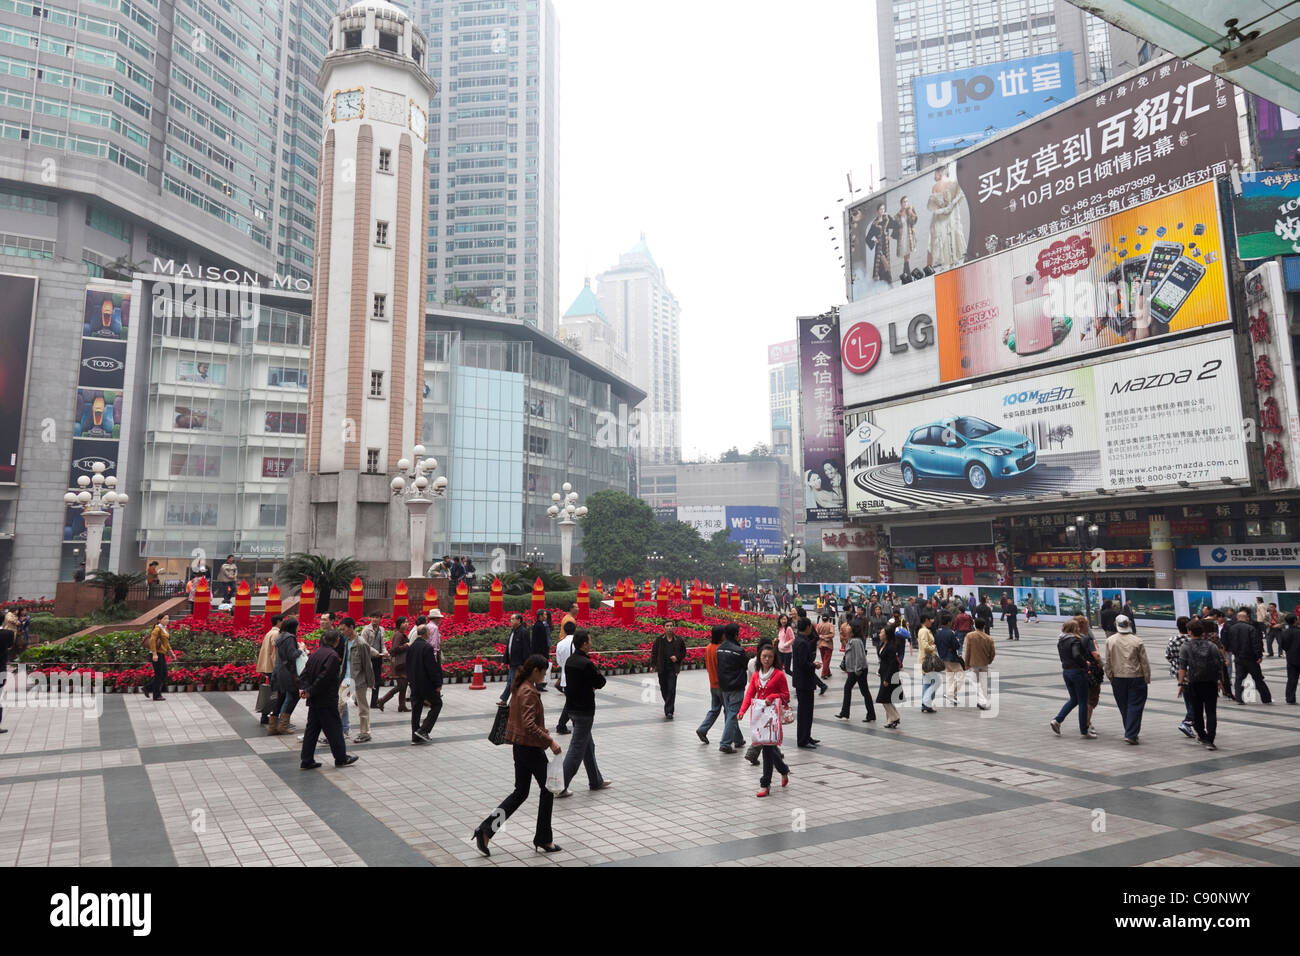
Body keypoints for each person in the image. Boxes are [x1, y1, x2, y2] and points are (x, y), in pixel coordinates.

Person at [473, 655, 561, 856]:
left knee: (520, 792)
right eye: (544, 671)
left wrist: (542, 731)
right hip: (530, 749)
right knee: (547, 790)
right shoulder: (528, 691)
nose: (545, 675)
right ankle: (544, 838)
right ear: (536, 670)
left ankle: (486, 831)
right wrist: (550, 741)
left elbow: (524, 722)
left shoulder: (519, 687)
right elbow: (529, 724)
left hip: (519, 746)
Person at [556, 630, 612, 797]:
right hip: (584, 711)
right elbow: (600, 681)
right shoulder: (586, 663)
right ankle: (560, 785)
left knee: (588, 746)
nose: (591, 643)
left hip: (572, 709)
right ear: (584, 644)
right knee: (576, 749)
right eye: (590, 640)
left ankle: (596, 780)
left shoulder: (571, 661)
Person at [298, 629, 358, 770]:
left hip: (315, 700)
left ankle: (306, 759)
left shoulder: (316, 654)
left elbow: (304, 674)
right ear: (337, 640)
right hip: (326, 699)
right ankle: (341, 758)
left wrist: (306, 689)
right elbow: (324, 678)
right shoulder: (332, 656)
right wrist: (310, 691)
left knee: (312, 730)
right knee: (335, 729)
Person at [738, 644, 791, 798]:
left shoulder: (779, 675)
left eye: (770, 657)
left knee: (768, 750)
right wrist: (742, 711)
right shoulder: (755, 675)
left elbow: (786, 696)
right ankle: (783, 769)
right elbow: (749, 694)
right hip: (759, 717)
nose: (767, 659)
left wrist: (773, 697)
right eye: (764, 656)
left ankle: (764, 784)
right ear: (759, 658)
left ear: (774, 658)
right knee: (770, 749)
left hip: (772, 717)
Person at [1103, 615, 1151, 745]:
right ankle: (1131, 733)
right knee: (1135, 705)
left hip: (1118, 677)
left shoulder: (1110, 640)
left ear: (1115, 624)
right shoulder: (1137, 641)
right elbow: (1144, 662)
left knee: (1123, 706)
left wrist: (1110, 675)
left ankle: (1130, 731)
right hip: (1136, 676)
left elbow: (1107, 661)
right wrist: (1147, 677)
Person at [1178, 619, 1225, 750]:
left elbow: (1182, 667)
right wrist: (1220, 681)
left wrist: (1180, 683)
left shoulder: (1186, 646)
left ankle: (1202, 736)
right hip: (1210, 682)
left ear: (1190, 632)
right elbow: (1218, 664)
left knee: (1197, 712)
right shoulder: (1211, 646)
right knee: (1211, 712)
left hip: (1194, 682)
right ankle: (1210, 739)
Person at [1049, 620, 1095, 739]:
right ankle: (1084, 731)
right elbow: (1076, 655)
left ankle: (1057, 720)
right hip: (1077, 672)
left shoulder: (1061, 641)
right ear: (1074, 629)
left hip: (1066, 672)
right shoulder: (1074, 640)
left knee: (1074, 699)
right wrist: (1085, 663)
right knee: (1083, 702)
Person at [405, 624, 443, 743]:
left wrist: (410, 681)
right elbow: (431, 668)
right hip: (426, 684)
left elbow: (408, 666)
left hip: (414, 684)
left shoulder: (411, 647)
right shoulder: (427, 647)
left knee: (416, 710)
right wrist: (437, 684)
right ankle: (424, 730)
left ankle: (415, 737)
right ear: (426, 633)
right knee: (437, 704)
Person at [1227, 609, 1272, 705]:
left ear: (1238, 618)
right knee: (1258, 678)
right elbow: (1255, 643)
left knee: (1239, 678)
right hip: (1250, 657)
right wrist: (1259, 655)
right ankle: (1266, 698)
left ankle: (1239, 698)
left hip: (1238, 657)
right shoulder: (1250, 628)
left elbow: (1229, 642)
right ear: (1246, 618)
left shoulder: (1232, 628)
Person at [715, 623, 748, 753]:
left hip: (723, 686)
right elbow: (745, 665)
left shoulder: (720, 649)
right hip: (736, 686)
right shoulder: (738, 651)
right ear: (736, 634)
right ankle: (725, 743)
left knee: (729, 712)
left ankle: (738, 739)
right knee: (733, 714)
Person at [835, 621, 876, 722]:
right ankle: (847, 712)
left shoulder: (855, 641)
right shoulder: (852, 640)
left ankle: (868, 714)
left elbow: (860, 657)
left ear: (853, 631)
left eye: (849, 626)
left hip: (858, 670)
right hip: (855, 669)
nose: (846, 627)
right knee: (861, 691)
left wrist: (857, 670)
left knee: (862, 691)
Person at [268, 618, 302, 736]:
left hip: (278, 672)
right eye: (297, 626)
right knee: (295, 696)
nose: (298, 628)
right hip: (287, 673)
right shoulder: (290, 638)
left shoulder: (280, 636)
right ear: (293, 627)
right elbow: (292, 655)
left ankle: (272, 727)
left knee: (281, 698)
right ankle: (283, 726)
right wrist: (301, 650)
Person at [346, 618, 376, 743]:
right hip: (346, 680)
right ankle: (339, 731)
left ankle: (365, 733)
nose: (342, 631)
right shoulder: (345, 642)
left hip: (359, 680)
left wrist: (370, 682)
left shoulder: (361, 643)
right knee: (340, 705)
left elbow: (367, 665)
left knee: (362, 707)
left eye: (344, 629)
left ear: (351, 627)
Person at [792, 617, 820, 748]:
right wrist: (814, 665)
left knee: (807, 711)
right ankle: (803, 740)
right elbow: (803, 664)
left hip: (802, 681)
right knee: (805, 712)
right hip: (804, 682)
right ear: (808, 627)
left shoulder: (799, 640)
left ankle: (807, 737)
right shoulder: (802, 643)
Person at [649, 622, 686, 720]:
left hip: (673, 669)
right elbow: (654, 653)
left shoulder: (679, 640)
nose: (669, 628)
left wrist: (677, 657)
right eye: (667, 626)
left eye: (671, 626)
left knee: (671, 689)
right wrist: (652, 665)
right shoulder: (659, 640)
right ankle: (668, 703)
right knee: (664, 689)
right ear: (664, 628)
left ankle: (669, 711)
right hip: (662, 668)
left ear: (673, 627)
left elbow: (683, 652)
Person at [1166, 617, 1196, 737]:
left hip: (1179, 673)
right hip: (1193, 673)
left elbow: (1168, 656)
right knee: (1196, 700)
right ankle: (1187, 722)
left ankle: (1193, 721)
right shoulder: (1192, 640)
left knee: (1188, 698)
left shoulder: (1172, 639)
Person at [696, 626, 726, 745]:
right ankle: (734, 737)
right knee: (729, 712)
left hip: (712, 683)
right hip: (722, 685)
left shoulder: (708, 648)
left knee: (714, 709)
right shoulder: (720, 648)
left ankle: (703, 729)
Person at [499, 612, 531, 704]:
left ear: (519, 620)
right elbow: (509, 647)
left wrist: (524, 664)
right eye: (511, 619)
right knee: (511, 681)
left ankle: (508, 700)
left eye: (513, 619)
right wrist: (505, 661)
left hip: (518, 663)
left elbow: (526, 649)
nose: (511, 621)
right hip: (512, 662)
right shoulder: (513, 631)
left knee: (513, 682)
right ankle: (507, 699)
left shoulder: (523, 632)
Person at [256, 614, 282, 725]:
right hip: (273, 668)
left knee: (272, 692)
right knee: (275, 693)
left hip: (267, 667)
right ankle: (268, 716)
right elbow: (276, 653)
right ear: (278, 622)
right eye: (282, 621)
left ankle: (266, 716)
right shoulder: (276, 634)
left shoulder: (269, 633)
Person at [377, 625, 409, 712]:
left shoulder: (400, 634)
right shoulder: (398, 634)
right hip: (399, 664)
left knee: (404, 684)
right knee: (400, 686)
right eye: (404, 622)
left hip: (401, 664)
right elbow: (395, 649)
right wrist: (407, 645)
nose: (407, 623)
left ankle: (402, 706)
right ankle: (382, 700)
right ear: (400, 624)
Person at [876, 624, 903, 729]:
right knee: (887, 698)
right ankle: (890, 720)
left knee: (883, 698)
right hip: (883, 673)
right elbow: (883, 661)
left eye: (882, 633)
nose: (880, 634)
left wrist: (887, 679)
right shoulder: (882, 644)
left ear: (887, 635)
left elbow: (893, 664)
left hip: (890, 675)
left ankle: (895, 717)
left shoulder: (891, 647)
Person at [935, 612, 965, 706]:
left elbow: (936, 644)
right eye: (951, 622)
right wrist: (953, 646)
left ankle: (952, 696)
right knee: (960, 675)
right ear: (948, 622)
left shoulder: (937, 632)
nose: (951, 623)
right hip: (951, 657)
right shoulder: (950, 633)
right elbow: (956, 645)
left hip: (943, 657)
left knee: (949, 676)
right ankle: (950, 694)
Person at [963, 625, 995, 711]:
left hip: (973, 663)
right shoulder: (988, 638)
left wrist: (966, 663)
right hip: (984, 663)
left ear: (975, 625)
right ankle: (981, 701)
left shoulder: (970, 636)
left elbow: (967, 651)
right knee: (983, 682)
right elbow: (992, 652)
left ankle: (982, 701)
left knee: (975, 682)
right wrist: (989, 661)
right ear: (984, 626)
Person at [554, 620, 577, 735]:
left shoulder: (560, 644)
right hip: (576, 677)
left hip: (565, 677)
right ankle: (563, 725)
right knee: (571, 703)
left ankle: (565, 724)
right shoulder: (577, 642)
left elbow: (558, 661)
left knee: (571, 702)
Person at [146, 614, 174, 701]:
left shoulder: (164, 628)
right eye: (165, 619)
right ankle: (156, 695)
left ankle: (147, 688)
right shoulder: (157, 628)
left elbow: (166, 642)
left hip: (161, 653)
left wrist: (171, 652)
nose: (167, 620)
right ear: (159, 620)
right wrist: (154, 654)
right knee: (159, 675)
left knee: (164, 674)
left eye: (168, 618)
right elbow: (152, 641)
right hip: (156, 654)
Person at [360, 617, 387, 708]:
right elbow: (364, 644)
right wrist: (375, 652)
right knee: (364, 679)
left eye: (377, 617)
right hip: (368, 657)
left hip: (378, 657)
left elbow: (382, 643)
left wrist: (384, 651)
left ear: (380, 619)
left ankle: (374, 702)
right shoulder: (366, 630)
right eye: (373, 617)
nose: (375, 619)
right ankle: (357, 698)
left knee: (377, 680)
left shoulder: (381, 629)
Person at [917, 611, 939, 714]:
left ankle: (925, 704)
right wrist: (933, 647)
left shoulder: (924, 630)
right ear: (926, 621)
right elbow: (925, 645)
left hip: (926, 659)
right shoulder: (924, 631)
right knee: (933, 682)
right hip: (927, 660)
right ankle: (926, 703)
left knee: (927, 682)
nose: (931, 622)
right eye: (930, 620)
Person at [1278, 613, 1300, 704]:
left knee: (1291, 679)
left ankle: (1290, 699)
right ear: (1295, 621)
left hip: (1291, 659)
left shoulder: (1284, 632)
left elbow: (1282, 645)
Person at [531, 608, 552, 691]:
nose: (546, 616)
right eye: (544, 614)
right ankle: (538, 684)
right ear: (540, 616)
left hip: (539, 651)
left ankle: (539, 684)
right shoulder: (539, 626)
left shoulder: (538, 625)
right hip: (540, 651)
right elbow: (540, 641)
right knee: (539, 667)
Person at [815, 613, 835, 679]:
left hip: (820, 644)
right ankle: (824, 673)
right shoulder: (830, 625)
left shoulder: (819, 625)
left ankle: (828, 672)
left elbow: (816, 634)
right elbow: (832, 634)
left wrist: (821, 636)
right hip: (828, 644)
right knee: (826, 660)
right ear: (828, 618)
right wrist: (825, 637)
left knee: (824, 659)